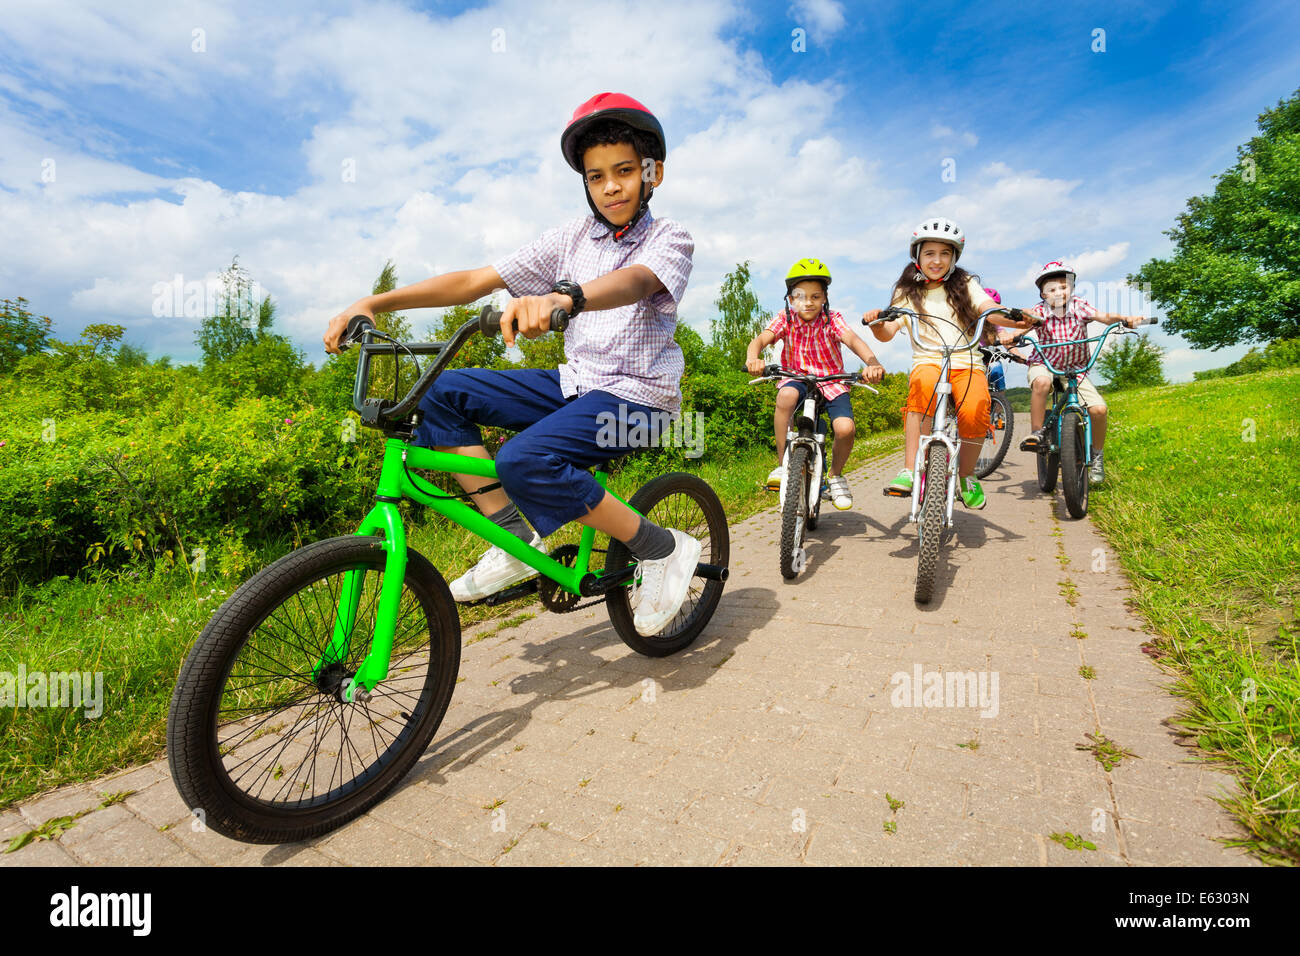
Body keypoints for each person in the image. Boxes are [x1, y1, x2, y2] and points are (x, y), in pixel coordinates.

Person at [322, 92, 699, 635]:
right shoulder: (572, 237)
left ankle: (660, 547)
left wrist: (564, 297)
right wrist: (376, 302)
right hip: (576, 384)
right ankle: (515, 538)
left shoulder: (671, 238)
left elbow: (636, 281)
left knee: (524, 459)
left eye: (623, 171)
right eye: (596, 176)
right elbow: (477, 280)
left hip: (641, 402)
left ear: (652, 173)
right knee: (439, 392)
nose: (610, 186)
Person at [863, 218, 1038, 509]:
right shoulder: (906, 292)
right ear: (917, 256)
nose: (937, 260)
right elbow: (887, 333)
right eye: (930, 253)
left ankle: (967, 476)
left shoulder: (966, 284)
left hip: (966, 360)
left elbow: (989, 311)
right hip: (928, 359)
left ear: (954, 258)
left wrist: (1020, 317)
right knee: (921, 388)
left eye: (945, 254)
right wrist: (875, 323)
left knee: (976, 410)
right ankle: (909, 470)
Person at [744, 258, 886, 510]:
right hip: (795, 377)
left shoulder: (832, 319)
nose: (807, 302)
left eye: (815, 296)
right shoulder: (785, 318)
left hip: (831, 382)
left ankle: (835, 475)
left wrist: (872, 362)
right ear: (790, 299)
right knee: (785, 397)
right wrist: (752, 358)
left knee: (844, 429)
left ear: (825, 298)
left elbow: (853, 341)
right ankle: (782, 465)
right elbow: (760, 340)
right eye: (800, 296)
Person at [1006, 261, 1145, 484]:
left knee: (1099, 409)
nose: (1058, 292)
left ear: (1071, 288)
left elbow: (1104, 316)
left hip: (1076, 370)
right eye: (1051, 289)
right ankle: (1037, 433)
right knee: (1041, 383)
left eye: (1063, 286)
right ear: (1043, 294)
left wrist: (1124, 319)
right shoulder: (1040, 311)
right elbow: (1023, 323)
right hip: (1045, 364)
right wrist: (1008, 336)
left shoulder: (1080, 306)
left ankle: (1097, 456)